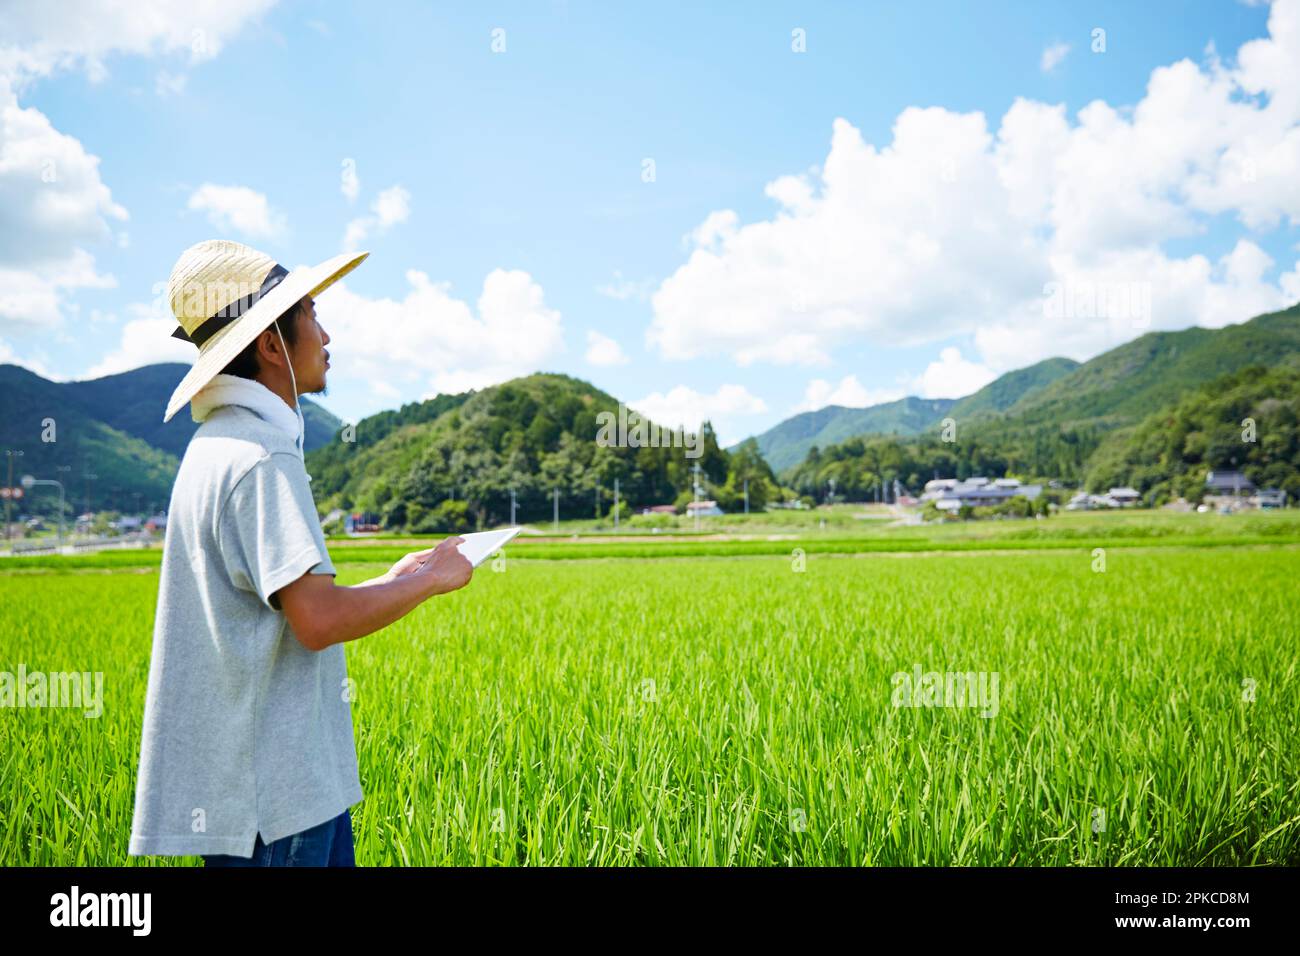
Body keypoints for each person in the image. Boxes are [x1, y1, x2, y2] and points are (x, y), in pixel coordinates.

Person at [127, 239, 473, 867]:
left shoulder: (216, 448)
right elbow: (317, 621)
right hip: (283, 802)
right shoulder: (264, 456)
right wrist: (432, 581)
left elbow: (296, 605)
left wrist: (392, 578)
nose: (326, 332)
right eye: (311, 312)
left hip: (248, 797)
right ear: (270, 343)